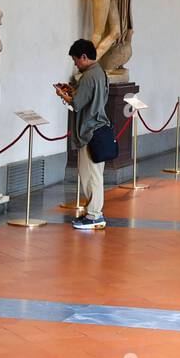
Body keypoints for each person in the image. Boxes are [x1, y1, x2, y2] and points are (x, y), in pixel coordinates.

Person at [56, 39, 111, 230]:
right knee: (95, 174)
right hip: (98, 127)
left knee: (90, 176)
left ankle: (95, 215)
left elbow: (78, 104)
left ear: (84, 57)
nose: (75, 64)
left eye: (75, 60)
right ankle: (92, 212)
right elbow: (88, 98)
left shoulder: (88, 76)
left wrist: (64, 96)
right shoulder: (100, 72)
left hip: (89, 131)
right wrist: (72, 91)